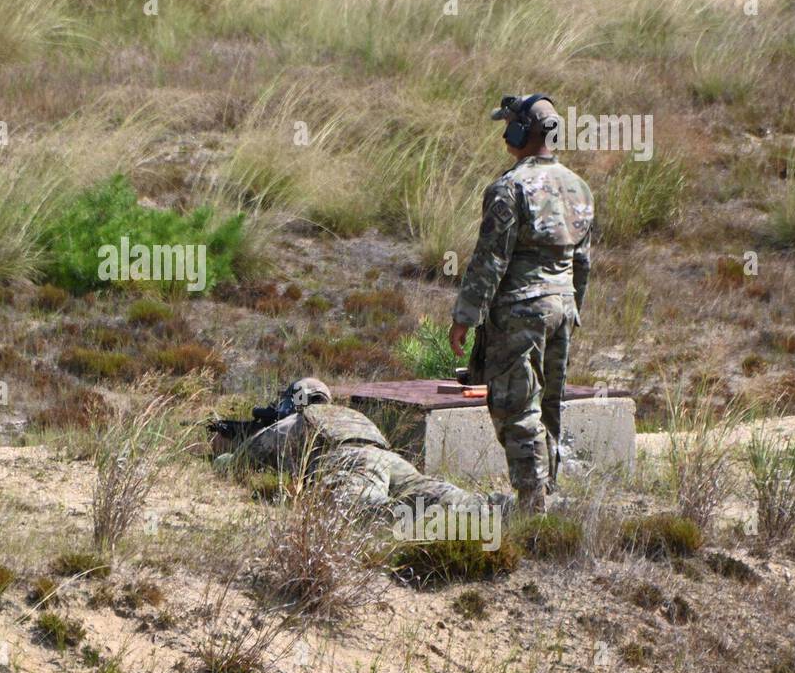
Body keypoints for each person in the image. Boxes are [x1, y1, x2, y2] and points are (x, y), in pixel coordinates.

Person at [448, 94, 594, 514]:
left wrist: (465, 317)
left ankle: (532, 505)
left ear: (521, 132)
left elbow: (491, 259)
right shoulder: (578, 187)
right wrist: (572, 306)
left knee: (516, 405)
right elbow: (582, 261)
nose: (503, 133)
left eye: (508, 125)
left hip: (520, 311)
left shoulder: (509, 187)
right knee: (550, 402)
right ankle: (546, 493)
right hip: (562, 306)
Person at [214, 378, 511, 517]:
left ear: (293, 401)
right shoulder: (350, 414)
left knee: (362, 508)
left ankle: (419, 523)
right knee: (436, 491)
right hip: (388, 457)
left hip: (348, 460)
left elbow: (240, 461)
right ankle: (501, 506)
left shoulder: (296, 421)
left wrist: (220, 456)